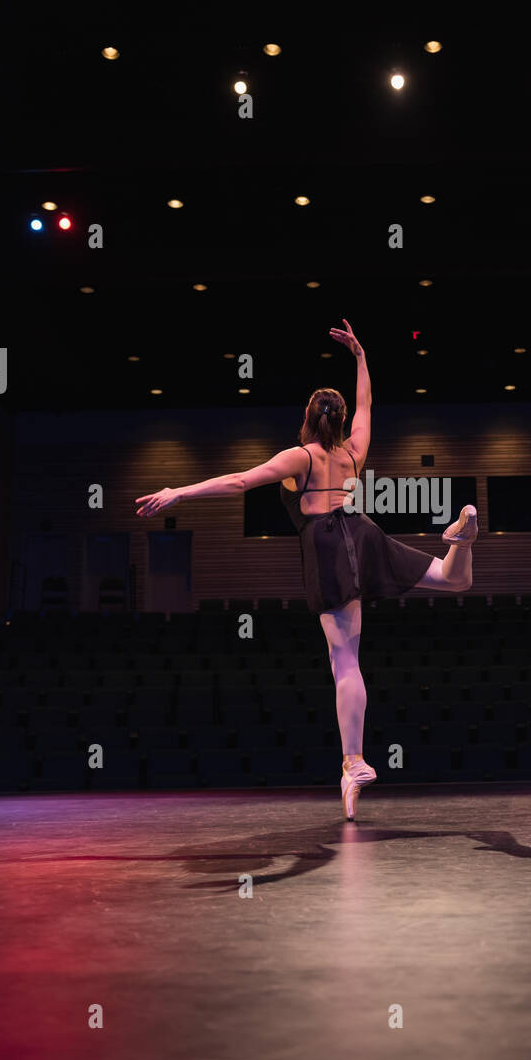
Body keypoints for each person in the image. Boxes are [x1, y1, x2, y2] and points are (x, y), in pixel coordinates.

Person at [136, 319, 478, 819]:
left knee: (345, 663)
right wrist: (360, 357)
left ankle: (355, 759)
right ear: (338, 422)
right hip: (363, 531)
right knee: (455, 579)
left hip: (328, 546)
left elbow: (238, 482)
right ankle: (460, 537)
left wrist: (178, 492)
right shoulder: (352, 453)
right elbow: (366, 405)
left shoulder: (303, 456)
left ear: (308, 418)